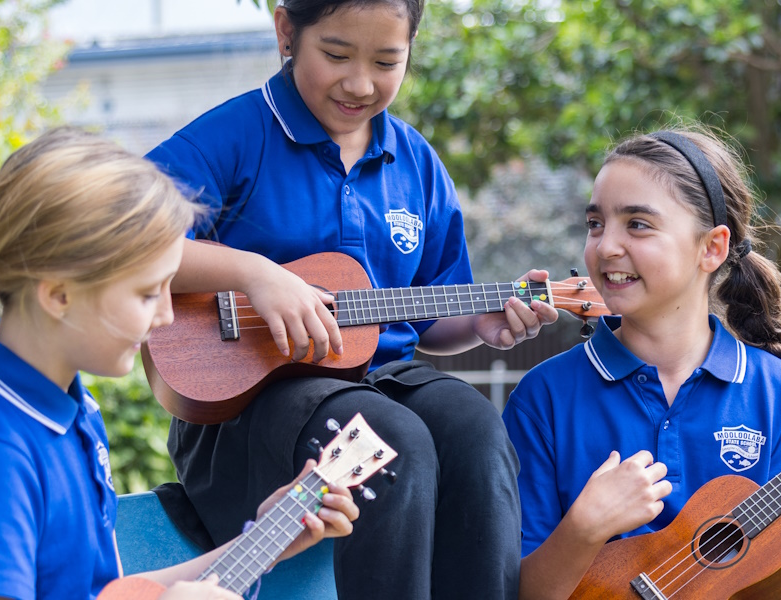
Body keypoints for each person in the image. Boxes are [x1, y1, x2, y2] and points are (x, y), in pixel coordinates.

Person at [141, 1, 553, 597]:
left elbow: (428, 317)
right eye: (336, 55)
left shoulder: (416, 162)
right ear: (287, 31)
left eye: (386, 62)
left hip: (382, 381)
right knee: (385, 439)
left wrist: (478, 325)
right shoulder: (234, 135)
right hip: (246, 413)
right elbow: (121, 238)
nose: (360, 84)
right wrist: (253, 273)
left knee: (477, 430)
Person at [0, 129, 357, 600]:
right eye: (148, 293)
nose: (166, 314)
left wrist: (262, 543)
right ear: (59, 295)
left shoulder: (70, 406)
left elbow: (108, 592)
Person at [502, 128, 781, 600]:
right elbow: (520, 592)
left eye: (638, 224)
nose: (606, 245)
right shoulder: (543, 396)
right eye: (595, 223)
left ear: (711, 248)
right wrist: (583, 529)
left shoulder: (773, 390)